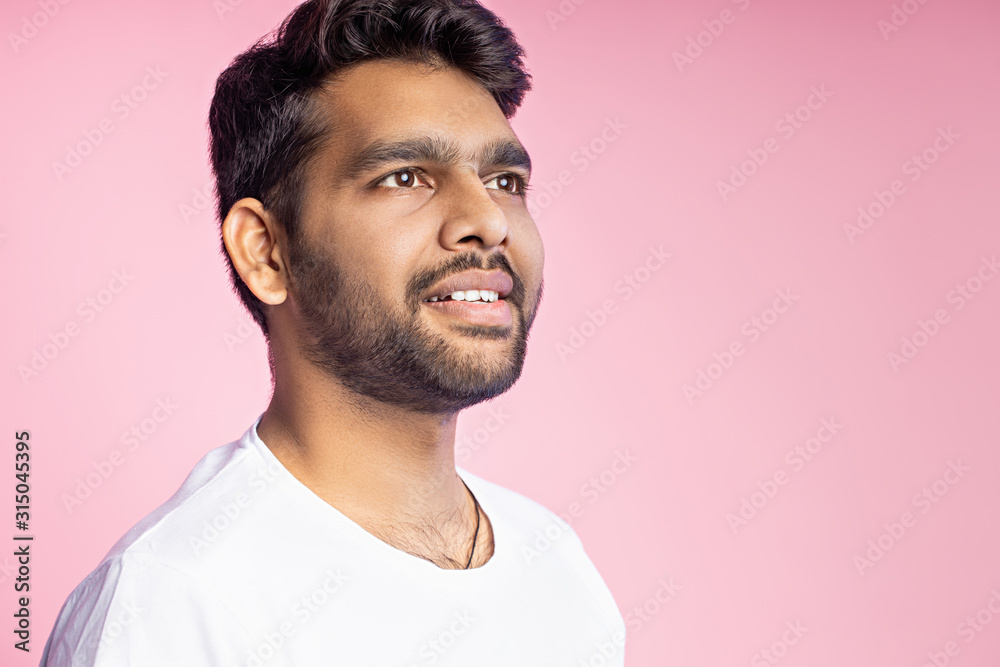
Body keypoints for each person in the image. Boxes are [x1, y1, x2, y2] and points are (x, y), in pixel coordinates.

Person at [41, 0, 626, 664]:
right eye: (405, 177)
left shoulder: (559, 573)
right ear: (265, 251)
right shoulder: (170, 604)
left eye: (504, 179)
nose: (488, 220)